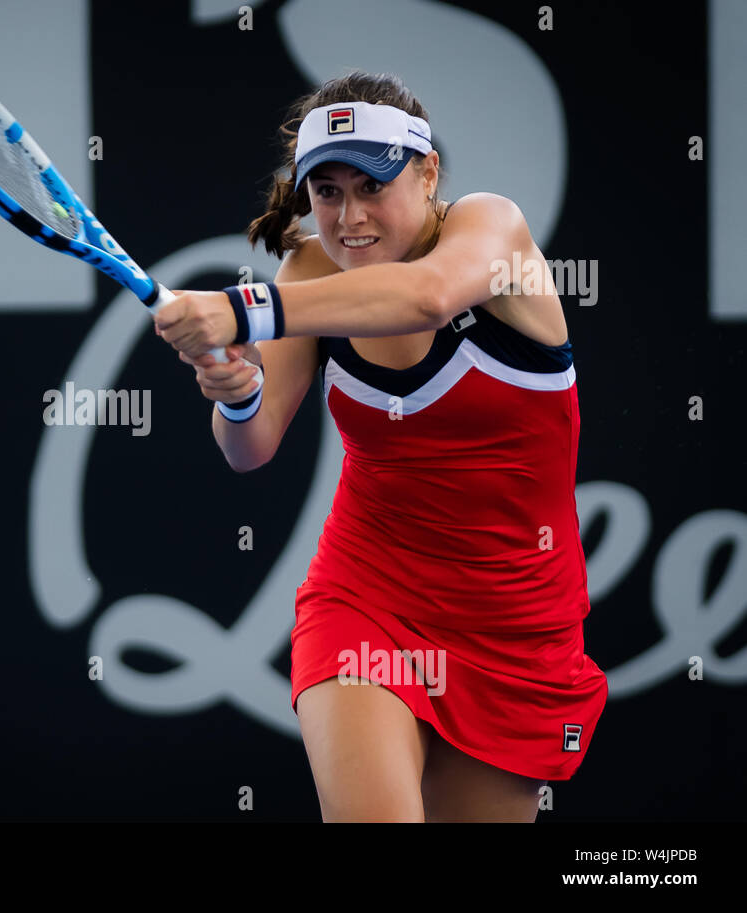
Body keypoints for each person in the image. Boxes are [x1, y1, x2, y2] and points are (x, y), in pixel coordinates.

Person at [152, 71, 607, 822]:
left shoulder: (495, 230)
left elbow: (424, 296)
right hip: (367, 597)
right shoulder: (307, 272)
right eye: (326, 192)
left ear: (429, 174)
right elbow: (250, 448)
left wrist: (240, 310)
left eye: (371, 185)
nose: (349, 215)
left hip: (516, 626)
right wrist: (239, 395)